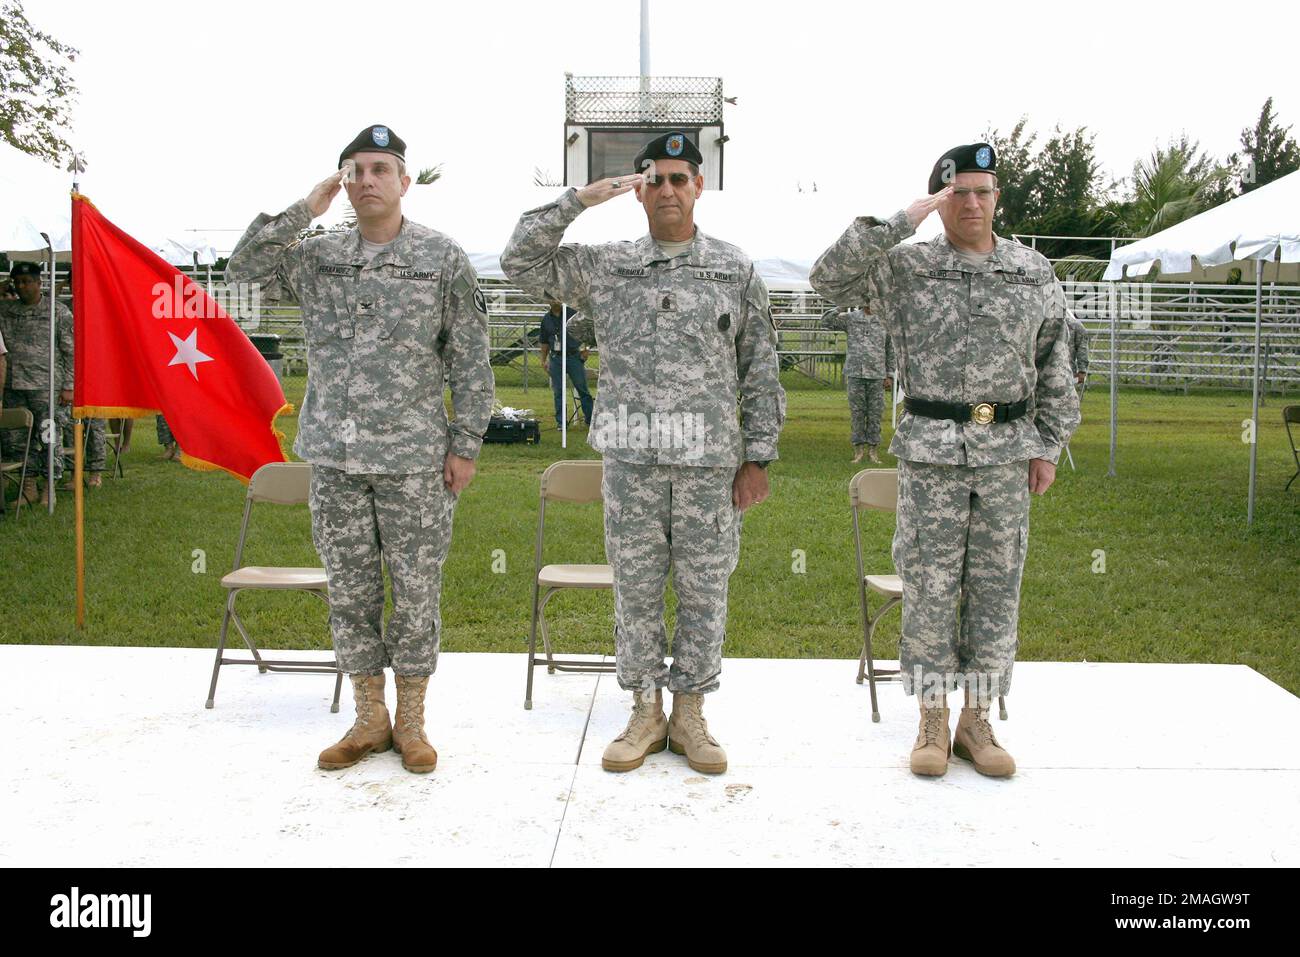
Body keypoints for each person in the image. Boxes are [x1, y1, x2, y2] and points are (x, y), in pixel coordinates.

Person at [502, 131, 786, 775]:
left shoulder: (733, 268)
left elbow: (759, 367)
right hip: (632, 462)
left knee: (704, 589)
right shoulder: (608, 265)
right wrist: (577, 200)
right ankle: (644, 710)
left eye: (679, 178)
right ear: (638, 191)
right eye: (653, 180)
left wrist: (758, 458)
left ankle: (691, 713)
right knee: (635, 589)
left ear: (699, 186)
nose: (667, 190)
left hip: (709, 463)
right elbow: (520, 260)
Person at [226, 125, 494, 774]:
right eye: (355, 170)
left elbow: (470, 357)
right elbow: (241, 274)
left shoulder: (440, 257)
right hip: (336, 458)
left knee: (416, 592)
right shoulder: (317, 257)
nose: (367, 180)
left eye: (380, 169)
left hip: (415, 459)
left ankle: (412, 721)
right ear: (342, 182)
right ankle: (369, 717)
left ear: (405, 180)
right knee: (349, 592)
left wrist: (466, 443)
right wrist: (303, 210)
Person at [810, 142, 1079, 779]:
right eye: (959, 193)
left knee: (995, 589)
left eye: (983, 191)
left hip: (1007, 454)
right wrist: (900, 222)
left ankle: (976, 719)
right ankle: (931, 717)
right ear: (940, 200)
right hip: (932, 452)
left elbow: (1055, 360)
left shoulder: (1031, 270)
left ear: (997, 198)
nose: (972, 203)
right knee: (930, 587)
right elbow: (829, 278)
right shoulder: (906, 267)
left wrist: (1049, 444)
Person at [0, 261, 75, 507]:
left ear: (39, 282)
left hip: (47, 386)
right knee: (18, 441)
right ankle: (28, 487)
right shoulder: (6, 310)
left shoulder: (57, 311)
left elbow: (71, 351)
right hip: (14, 386)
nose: (22, 287)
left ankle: (49, 487)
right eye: (18, 282)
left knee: (49, 437)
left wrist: (69, 386)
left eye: (27, 281)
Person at [823, 303, 895, 462]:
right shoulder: (851, 318)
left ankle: (873, 451)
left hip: (876, 374)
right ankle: (858, 450)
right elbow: (826, 322)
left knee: (875, 414)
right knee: (857, 413)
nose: (869, 302)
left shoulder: (885, 320)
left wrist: (889, 374)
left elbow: (890, 349)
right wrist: (841, 307)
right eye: (865, 298)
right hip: (855, 373)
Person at [538, 300, 594, 428]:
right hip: (556, 358)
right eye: (551, 299)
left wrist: (587, 349)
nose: (555, 301)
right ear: (548, 302)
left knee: (582, 389)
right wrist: (543, 360)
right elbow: (544, 342)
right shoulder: (546, 320)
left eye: (557, 298)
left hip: (574, 357)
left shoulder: (573, 314)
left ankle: (590, 420)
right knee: (558, 391)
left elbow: (588, 330)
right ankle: (561, 422)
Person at [1066, 310, 1090, 390]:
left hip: (1066, 373)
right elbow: (1083, 349)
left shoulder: (1075, 325)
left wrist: (1082, 370)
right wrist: (1082, 370)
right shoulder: (1076, 325)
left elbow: (1082, 349)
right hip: (1067, 373)